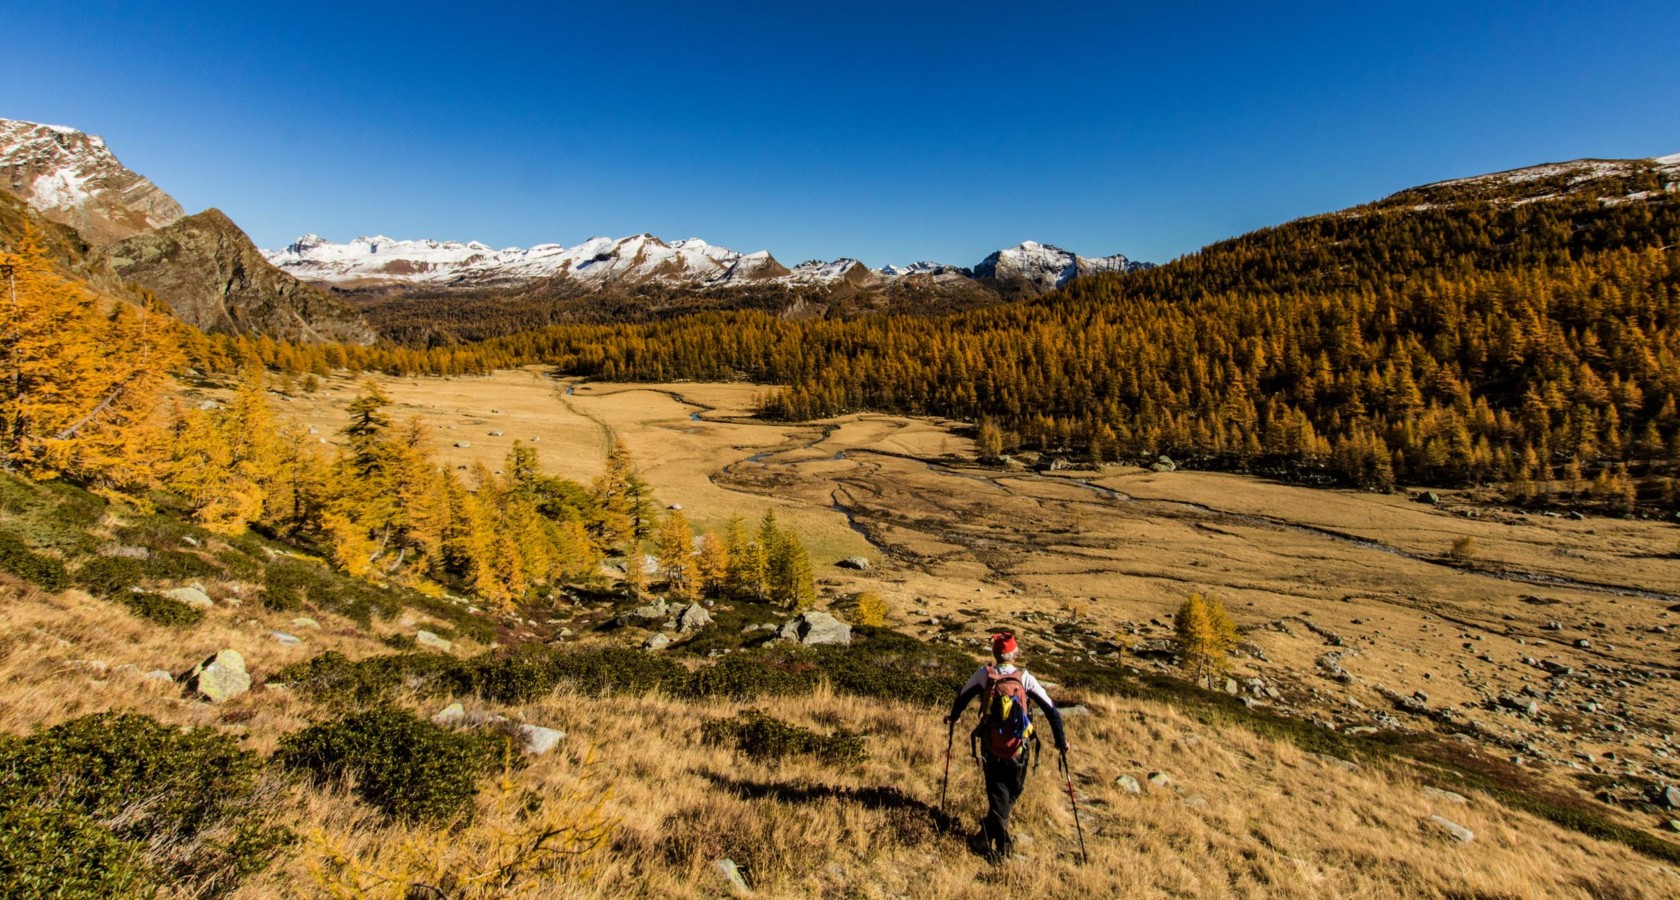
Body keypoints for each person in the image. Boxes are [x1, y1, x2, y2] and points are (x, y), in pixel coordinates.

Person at [945, 631, 1067, 860]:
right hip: (1018, 749)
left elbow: (963, 696)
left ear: (995, 653)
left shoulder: (985, 674)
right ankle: (1002, 850)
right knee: (1012, 791)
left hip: (991, 746)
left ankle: (986, 834)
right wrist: (1061, 742)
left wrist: (954, 717)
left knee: (998, 792)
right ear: (1014, 654)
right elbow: (1051, 710)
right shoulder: (1024, 678)